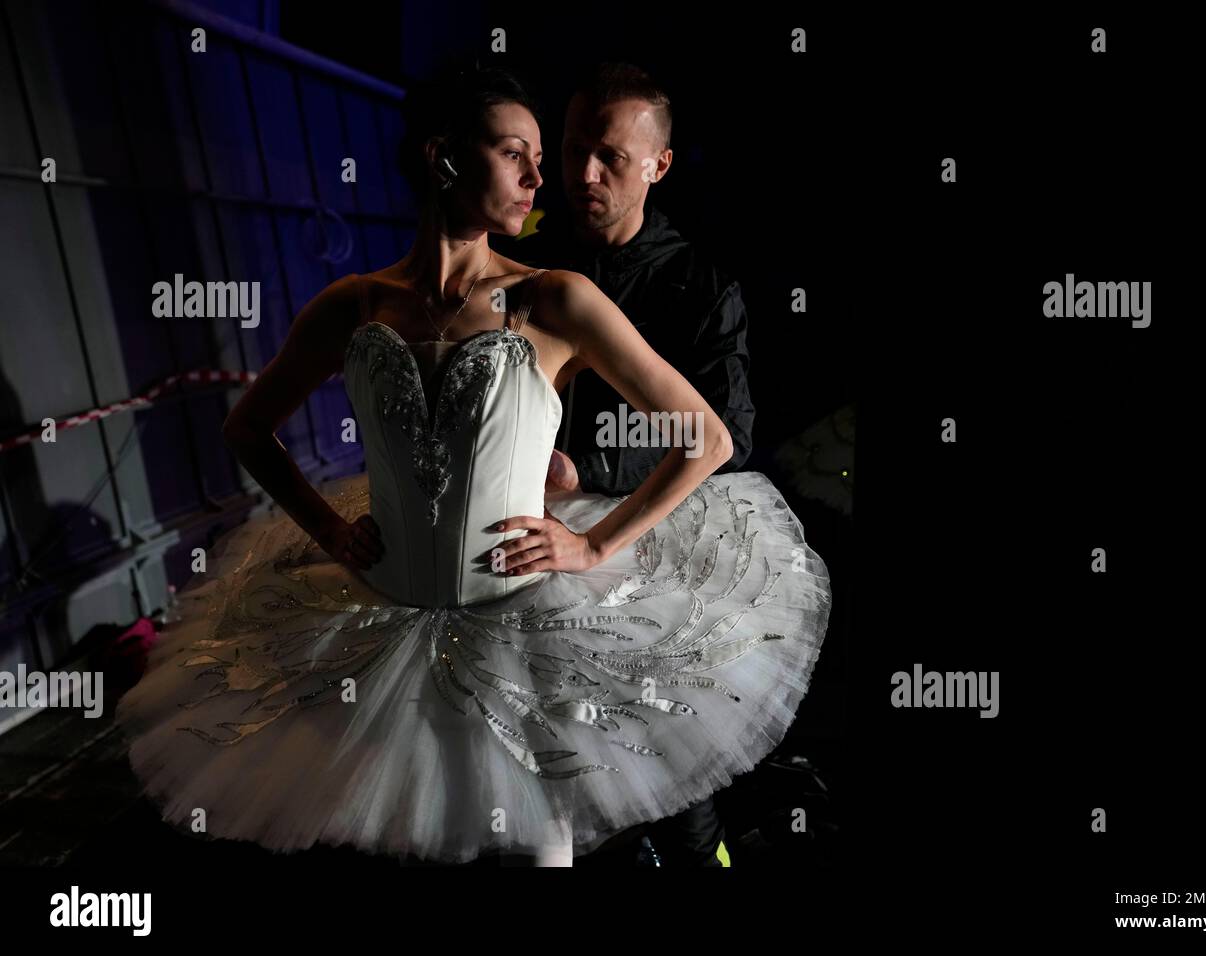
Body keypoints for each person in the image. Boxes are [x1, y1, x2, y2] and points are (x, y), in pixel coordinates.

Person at [114, 63, 831, 868]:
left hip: (528, 606)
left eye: (561, 157)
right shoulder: (353, 303)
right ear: (444, 159)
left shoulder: (556, 295)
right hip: (378, 613)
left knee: (563, 840)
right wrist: (324, 528)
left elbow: (713, 435)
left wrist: (593, 544)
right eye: (523, 154)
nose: (546, 177)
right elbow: (248, 429)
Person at [509, 62, 753, 865]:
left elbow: (730, 436)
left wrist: (593, 468)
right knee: (534, 754)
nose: (582, 173)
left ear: (659, 164)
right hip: (528, 537)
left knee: (667, 751)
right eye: (575, 147)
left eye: (610, 156)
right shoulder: (522, 261)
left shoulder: (698, 285)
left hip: (645, 530)